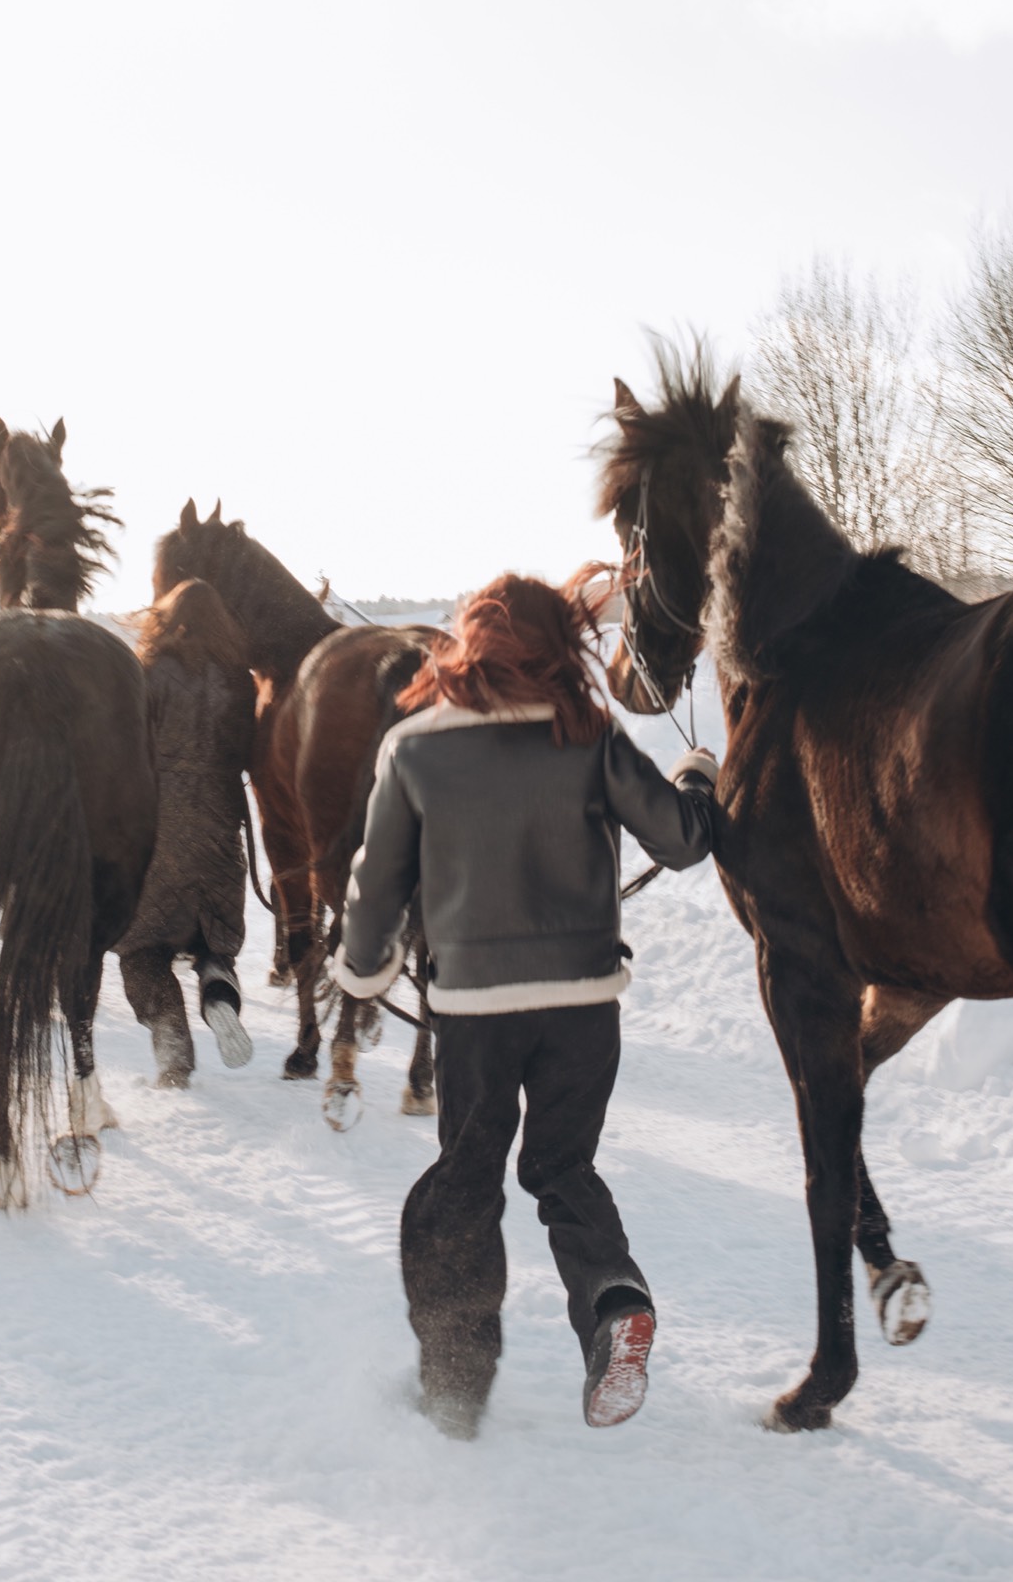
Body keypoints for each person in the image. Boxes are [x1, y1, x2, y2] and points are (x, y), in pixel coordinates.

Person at [333, 569, 717, 1439]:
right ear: (558, 648)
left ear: (466, 647)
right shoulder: (590, 737)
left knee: (463, 1185)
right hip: (584, 1005)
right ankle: (615, 1305)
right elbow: (682, 839)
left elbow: (376, 888)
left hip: (474, 1013)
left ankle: (457, 1388)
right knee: (561, 1168)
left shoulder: (416, 745)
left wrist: (360, 975)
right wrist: (697, 772)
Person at [120, 579, 258, 1086]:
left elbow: (128, 745)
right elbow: (249, 751)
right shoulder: (239, 679)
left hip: (157, 829)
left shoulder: (148, 671)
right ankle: (218, 992)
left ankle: (172, 1046)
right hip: (220, 825)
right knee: (213, 943)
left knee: (141, 948)